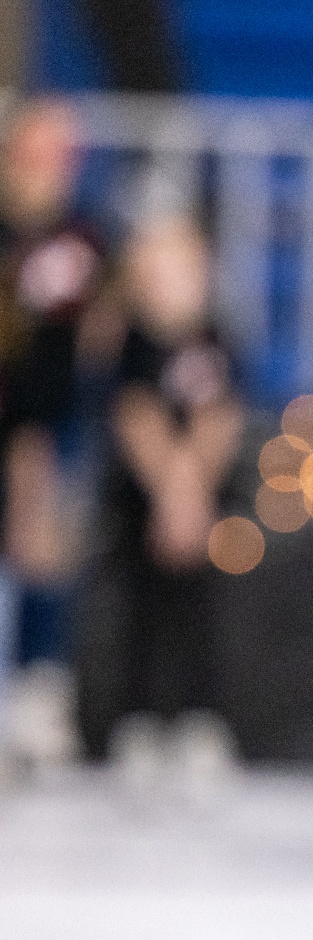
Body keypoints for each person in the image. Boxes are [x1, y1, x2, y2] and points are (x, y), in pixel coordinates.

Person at [76, 214, 243, 792]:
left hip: (203, 501)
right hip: (139, 499)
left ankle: (201, 719)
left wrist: (192, 492)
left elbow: (221, 417)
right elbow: (134, 415)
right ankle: (138, 720)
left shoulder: (218, 336)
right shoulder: (133, 340)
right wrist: (171, 491)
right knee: (138, 609)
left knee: (200, 609)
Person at [0, 97, 113, 777]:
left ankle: (38, 698)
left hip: (56, 417)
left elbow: (98, 334)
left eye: (63, 157)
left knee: (43, 554)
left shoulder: (85, 238)